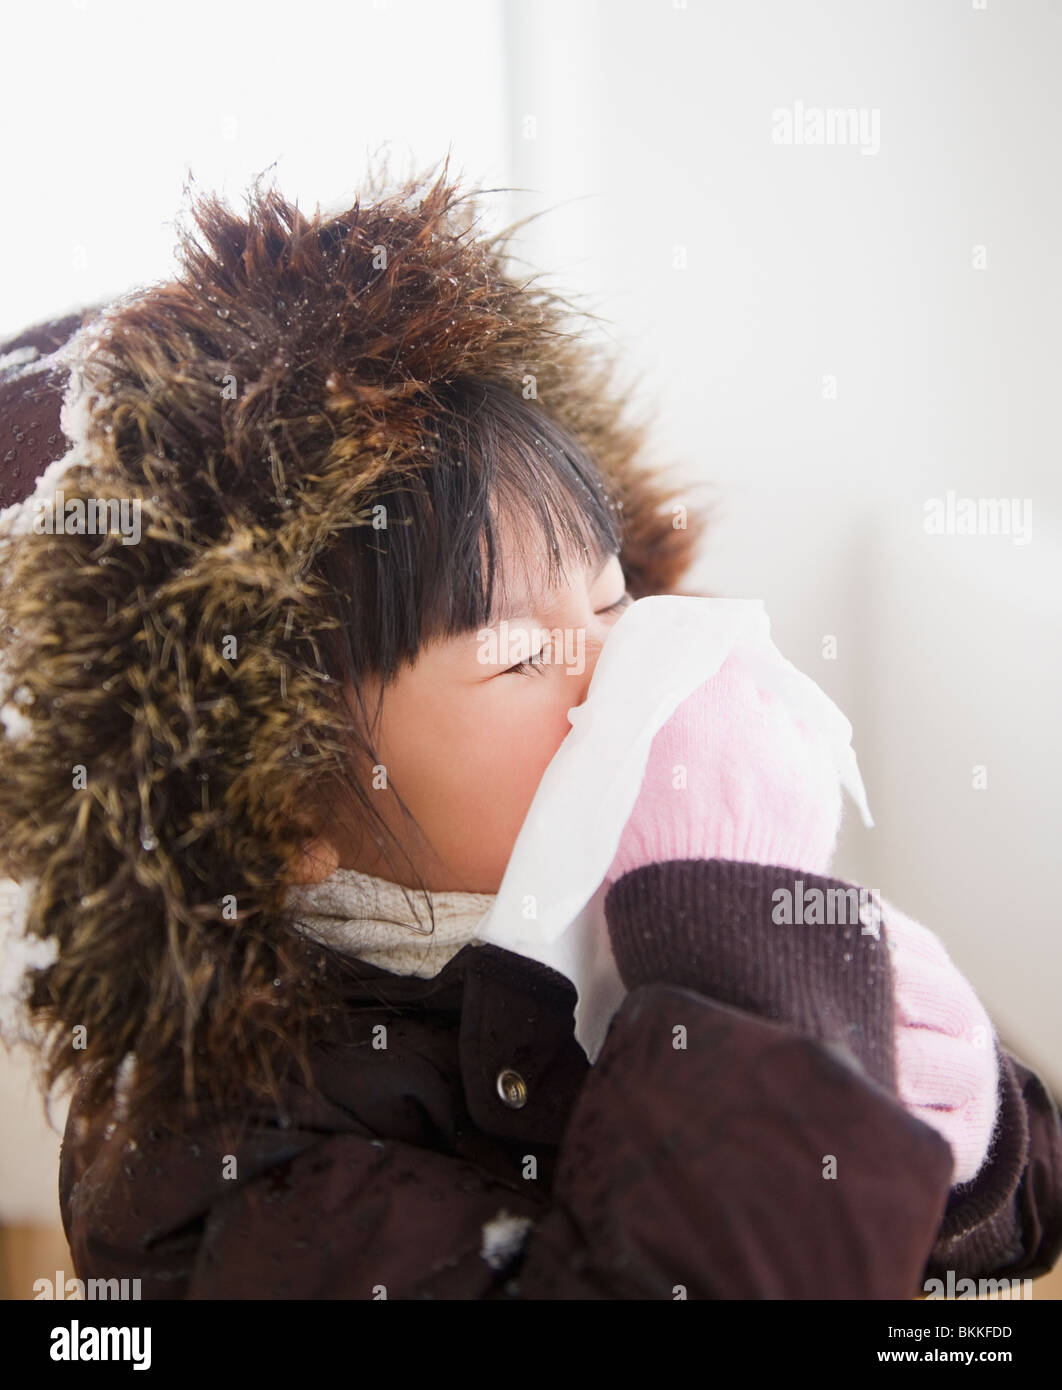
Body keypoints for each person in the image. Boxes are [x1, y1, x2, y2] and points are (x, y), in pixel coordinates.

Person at [0, 157, 1059, 1300]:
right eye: (517, 653)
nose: (620, 669)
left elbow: (1024, 1221)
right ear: (276, 801)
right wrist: (744, 1003)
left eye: (613, 602)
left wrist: (974, 1141)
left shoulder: (646, 890)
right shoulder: (225, 1159)